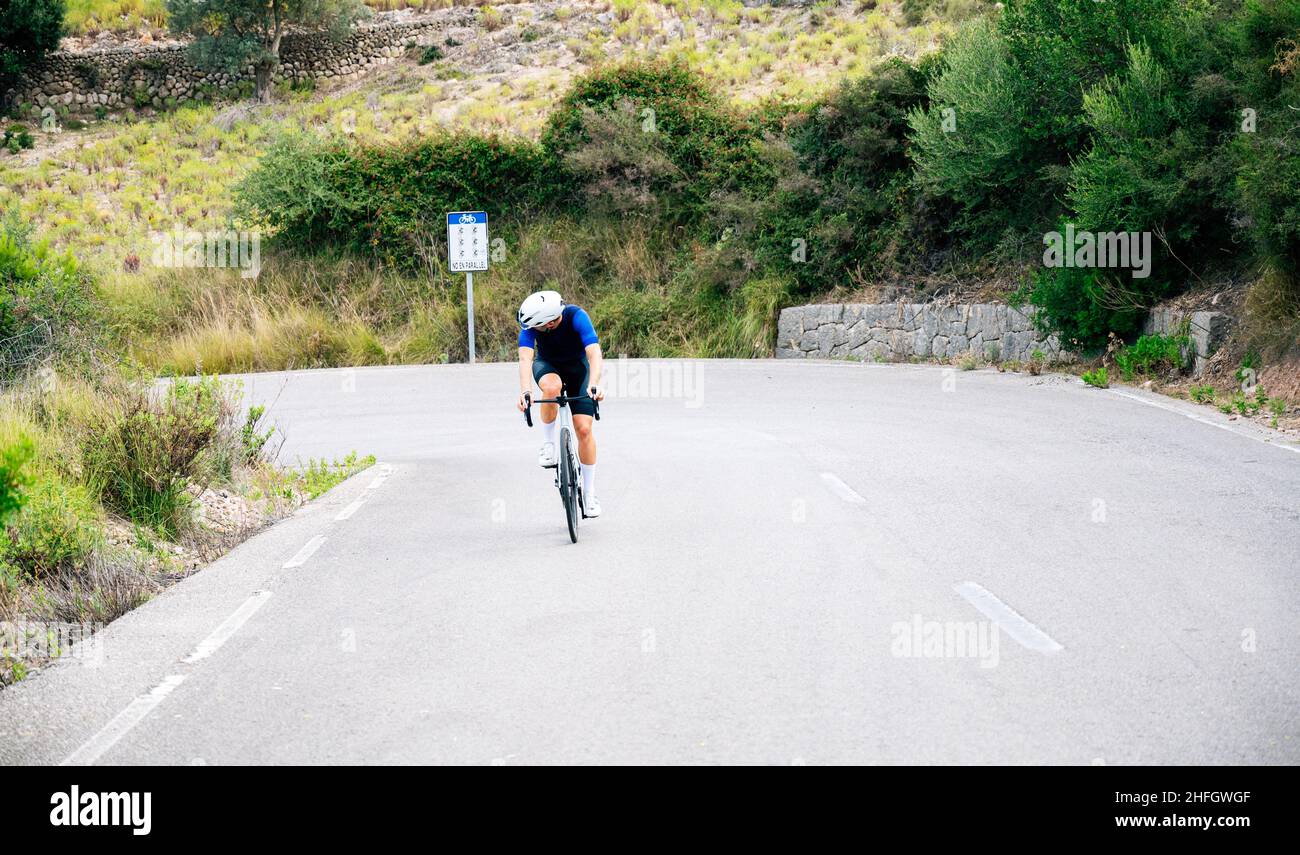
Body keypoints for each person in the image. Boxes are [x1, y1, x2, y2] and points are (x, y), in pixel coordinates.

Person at [516, 290, 605, 518]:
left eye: (537, 327)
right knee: (551, 388)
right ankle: (548, 445)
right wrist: (525, 391)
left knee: (584, 429)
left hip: (578, 369)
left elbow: (594, 352)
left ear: (550, 323)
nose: (532, 330)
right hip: (548, 366)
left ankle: (588, 492)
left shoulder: (577, 316)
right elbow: (526, 357)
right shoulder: (530, 326)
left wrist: (594, 384)